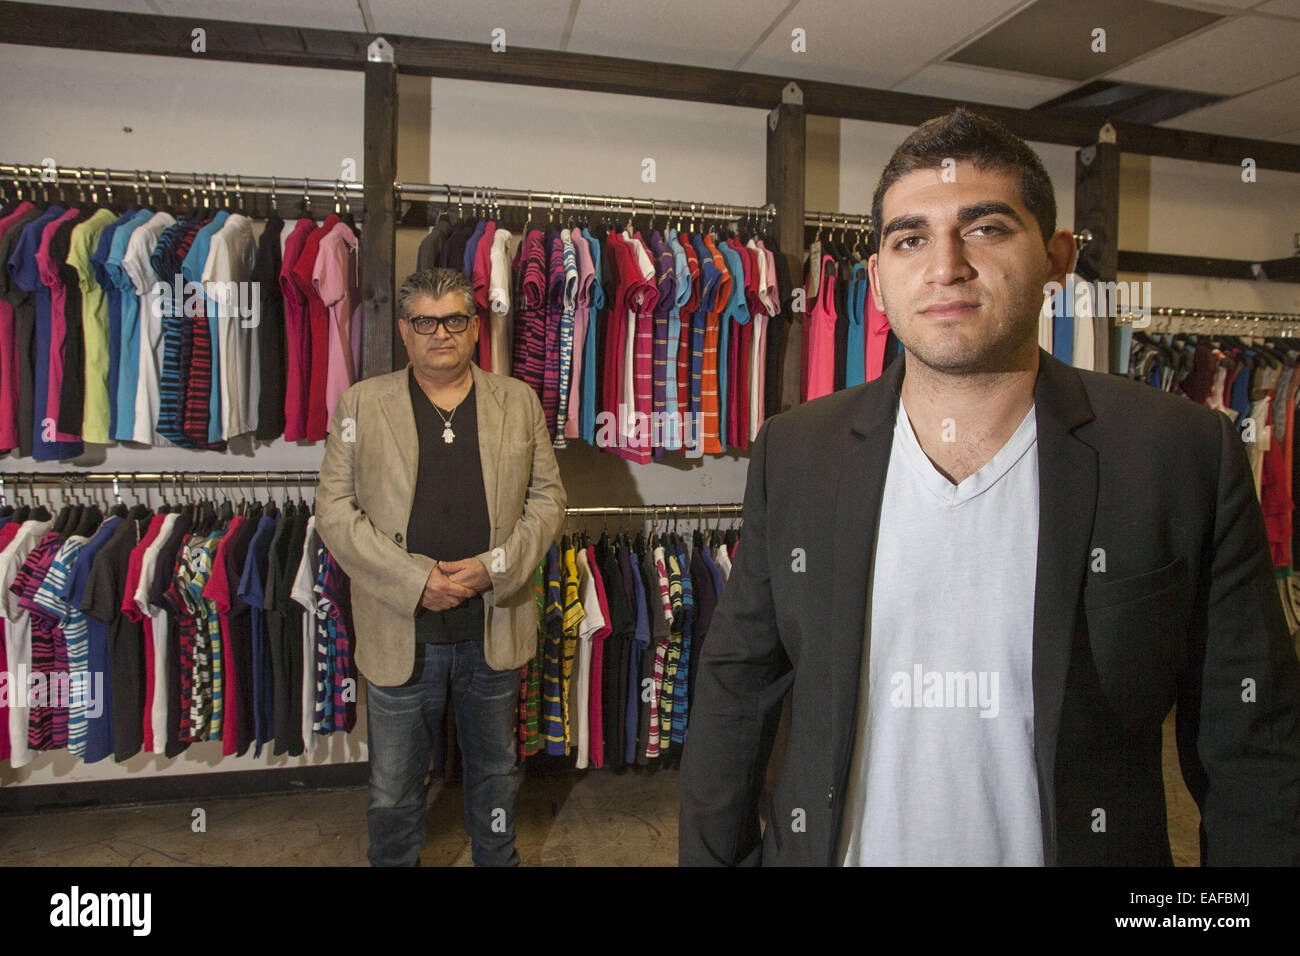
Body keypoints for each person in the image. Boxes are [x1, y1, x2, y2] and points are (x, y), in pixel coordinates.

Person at [678, 107, 1300, 866]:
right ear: (876, 280)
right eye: (910, 239)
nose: (945, 266)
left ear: (1057, 257)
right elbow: (737, 688)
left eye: (986, 228)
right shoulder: (798, 452)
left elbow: (1254, 745)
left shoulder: (1177, 453)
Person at [316, 267, 566, 866]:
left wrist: (493, 568)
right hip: (400, 629)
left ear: (475, 327)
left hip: (494, 625)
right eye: (425, 322)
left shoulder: (518, 401)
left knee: (496, 774)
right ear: (404, 331)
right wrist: (415, 581)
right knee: (395, 788)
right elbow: (333, 510)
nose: (440, 334)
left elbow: (548, 500)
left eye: (454, 319)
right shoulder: (362, 404)